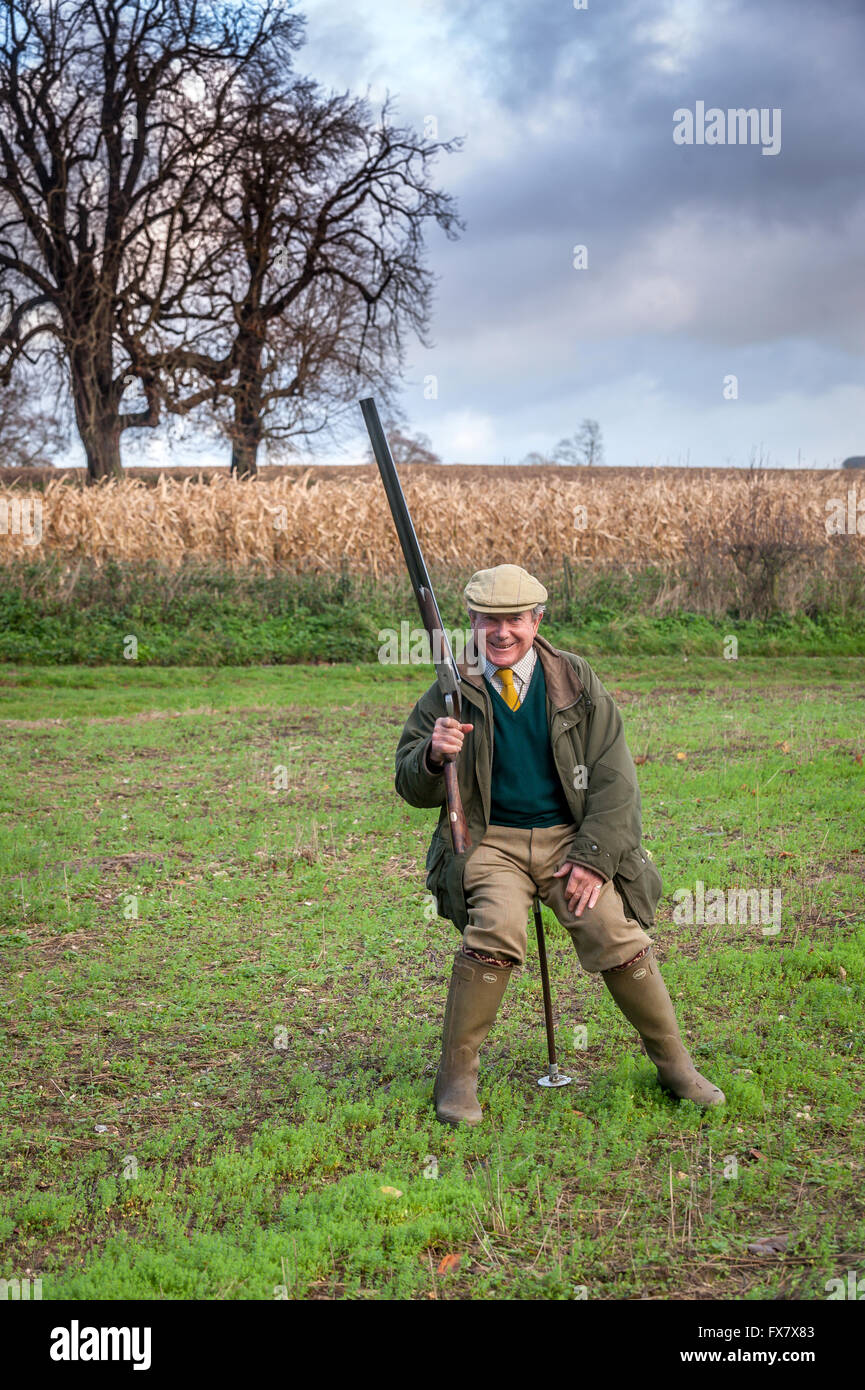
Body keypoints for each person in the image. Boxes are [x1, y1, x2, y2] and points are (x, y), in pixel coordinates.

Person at [394, 563, 725, 1125]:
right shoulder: (448, 692)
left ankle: (674, 1065)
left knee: (615, 933)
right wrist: (432, 753)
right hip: (490, 841)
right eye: (489, 620)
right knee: (496, 927)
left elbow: (616, 781)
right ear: (471, 621)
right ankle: (456, 1078)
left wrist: (593, 861)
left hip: (569, 840)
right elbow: (409, 784)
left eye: (515, 620)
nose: (502, 633)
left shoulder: (575, 679)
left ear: (537, 620)